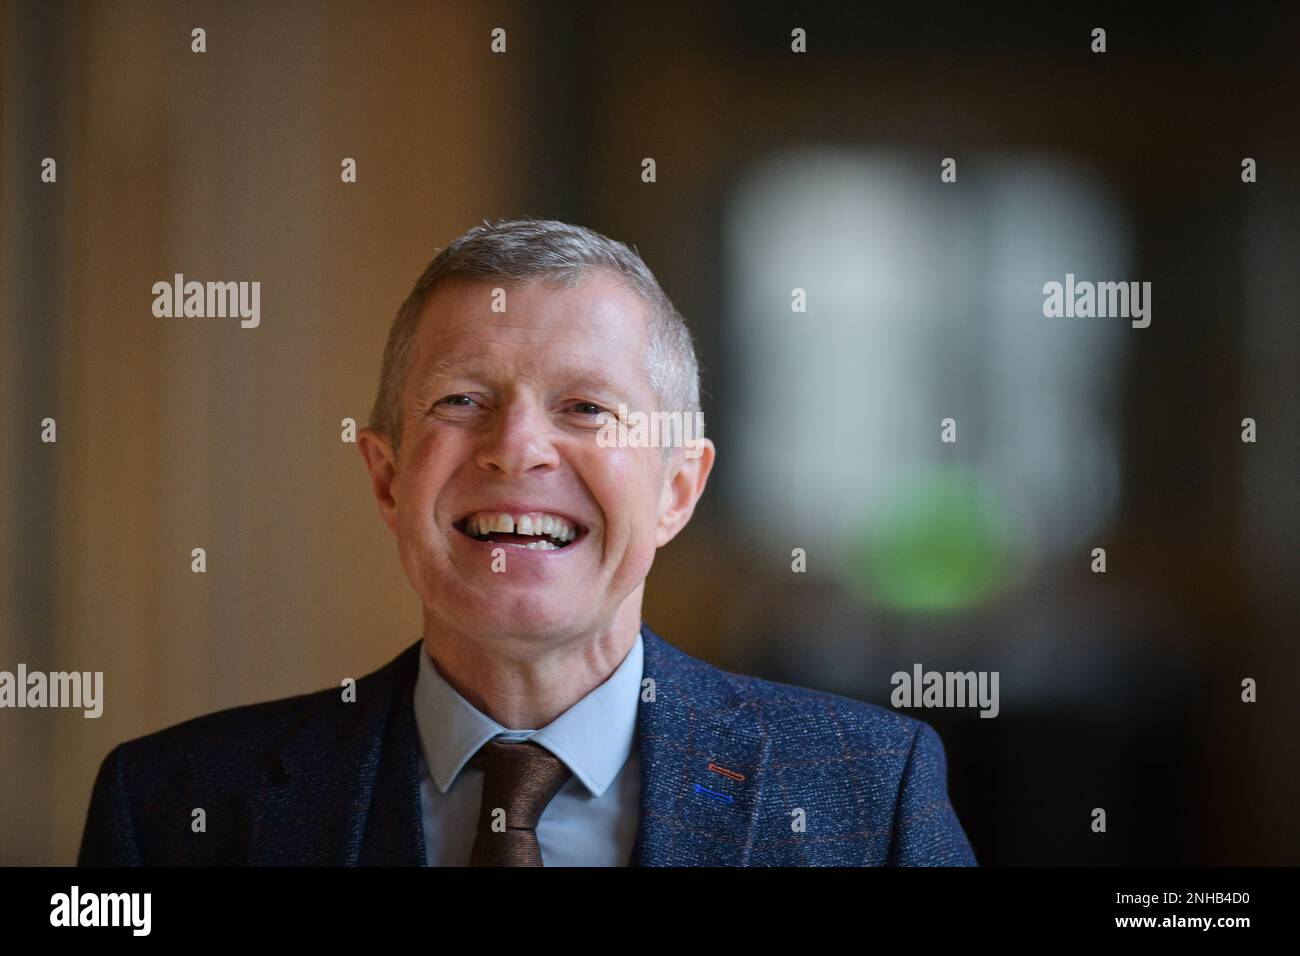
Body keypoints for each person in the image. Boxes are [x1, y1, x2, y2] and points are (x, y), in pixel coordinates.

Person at [78, 218, 977, 866]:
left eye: (586, 408)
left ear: (677, 489)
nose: (516, 449)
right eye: (463, 401)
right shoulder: (171, 807)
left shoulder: (868, 792)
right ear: (388, 479)